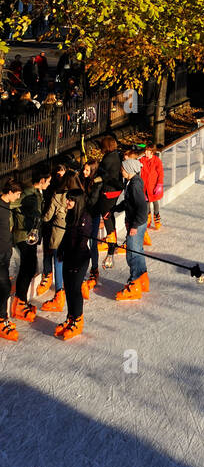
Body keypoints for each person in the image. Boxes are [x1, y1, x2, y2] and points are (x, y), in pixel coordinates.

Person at [53, 176, 93, 341]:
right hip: (69, 255)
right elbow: (67, 236)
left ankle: (78, 320)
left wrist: (74, 261)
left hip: (80, 258)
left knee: (75, 290)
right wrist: (61, 248)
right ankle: (71, 317)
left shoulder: (85, 219)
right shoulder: (71, 216)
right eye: (67, 199)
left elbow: (82, 243)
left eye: (70, 200)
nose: (67, 202)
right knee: (68, 289)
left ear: (77, 202)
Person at [10, 166, 51, 321]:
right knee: (27, 268)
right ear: (41, 181)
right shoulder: (28, 193)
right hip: (24, 235)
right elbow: (11, 204)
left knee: (30, 266)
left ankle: (22, 301)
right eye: (48, 181)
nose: (49, 183)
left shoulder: (38, 193)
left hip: (31, 236)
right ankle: (19, 304)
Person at [115, 151, 150, 301]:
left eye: (123, 169)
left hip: (137, 223)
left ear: (129, 170)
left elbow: (143, 207)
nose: (121, 170)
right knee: (138, 251)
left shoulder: (134, 185)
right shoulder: (131, 182)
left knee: (132, 254)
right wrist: (115, 208)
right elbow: (129, 203)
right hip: (137, 222)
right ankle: (142, 279)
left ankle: (134, 284)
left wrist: (135, 226)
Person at [38, 165, 69, 313]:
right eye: (58, 175)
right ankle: (47, 274)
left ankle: (60, 290)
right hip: (50, 226)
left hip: (60, 229)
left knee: (59, 257)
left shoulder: (67, 194)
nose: (60, 179)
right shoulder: (52, 191)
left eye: (63, 176)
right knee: (48, 251)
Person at [0, 176, 22, 342]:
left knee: (4, 286)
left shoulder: (7, 204)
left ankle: (3, 317)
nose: (18, 197)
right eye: (17, 194)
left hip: (6, 250)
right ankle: (1, 318)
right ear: (10, 192)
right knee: (5, 286)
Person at [96, 134, 124, 266]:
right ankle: (113, 242)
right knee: (110, 214)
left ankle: (111, 246)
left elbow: (100, 171)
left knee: (106, 216)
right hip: (116, 190)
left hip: (109, 191)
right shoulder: (117, 154)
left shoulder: (108, 158)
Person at [81, 158, 103, 294]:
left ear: (93, 171)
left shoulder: (97, 184)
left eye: (87, 170)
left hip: (93, 215)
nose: (84, 171)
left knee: (93, 243)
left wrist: (81, 195)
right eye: (84, 169)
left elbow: (91, 202)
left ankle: (94, 269)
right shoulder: (82, 179)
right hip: (83, 215)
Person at [141, 143, 165, 233]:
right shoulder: (142, 160)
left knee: (155, 203)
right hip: (145, 187)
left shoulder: (157, 160)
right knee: (146, 203)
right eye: (145, 151)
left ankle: (157, 218)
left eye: (148, 151)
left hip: (154, 186)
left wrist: (159, 184)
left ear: (152, 152)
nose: (146, 153)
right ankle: (148, 219)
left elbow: (160, 173)